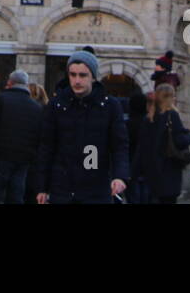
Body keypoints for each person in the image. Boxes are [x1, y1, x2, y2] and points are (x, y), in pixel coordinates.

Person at [36, 50, 129, 204]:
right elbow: (46, 147)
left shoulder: (109, 106)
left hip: (96, 187)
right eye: (73, 75)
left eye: (83, 75)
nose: (77, 80)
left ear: (93, 76)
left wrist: (120, 176)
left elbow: (120, 145)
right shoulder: (56, 105)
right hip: (62, 187)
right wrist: (42, 187)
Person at [0, 70, 43, 204]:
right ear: (26, 84)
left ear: (10, 83)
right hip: (23, 158)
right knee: (16, 194)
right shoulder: (36, 107)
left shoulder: (2, 99)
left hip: (0, 156)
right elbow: (39, 135)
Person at [130, 83, 190, 204]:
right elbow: (180, 141)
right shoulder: (172, 115)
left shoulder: (148, 118)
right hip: (169, 171)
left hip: (151, 172)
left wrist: (134, 172)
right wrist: (189, 136)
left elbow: (141, 147)